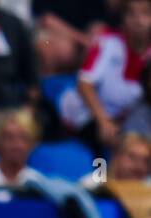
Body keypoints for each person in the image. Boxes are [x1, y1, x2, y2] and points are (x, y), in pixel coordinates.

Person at [60, 0, 151, 151]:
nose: (138, 20)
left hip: (131, 119)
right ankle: (100, 172)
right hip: (91, 116)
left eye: (145, 14)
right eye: (132, 14)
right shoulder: (108, 41)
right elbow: (84, 84)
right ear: (123, 18)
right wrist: (103, 121)